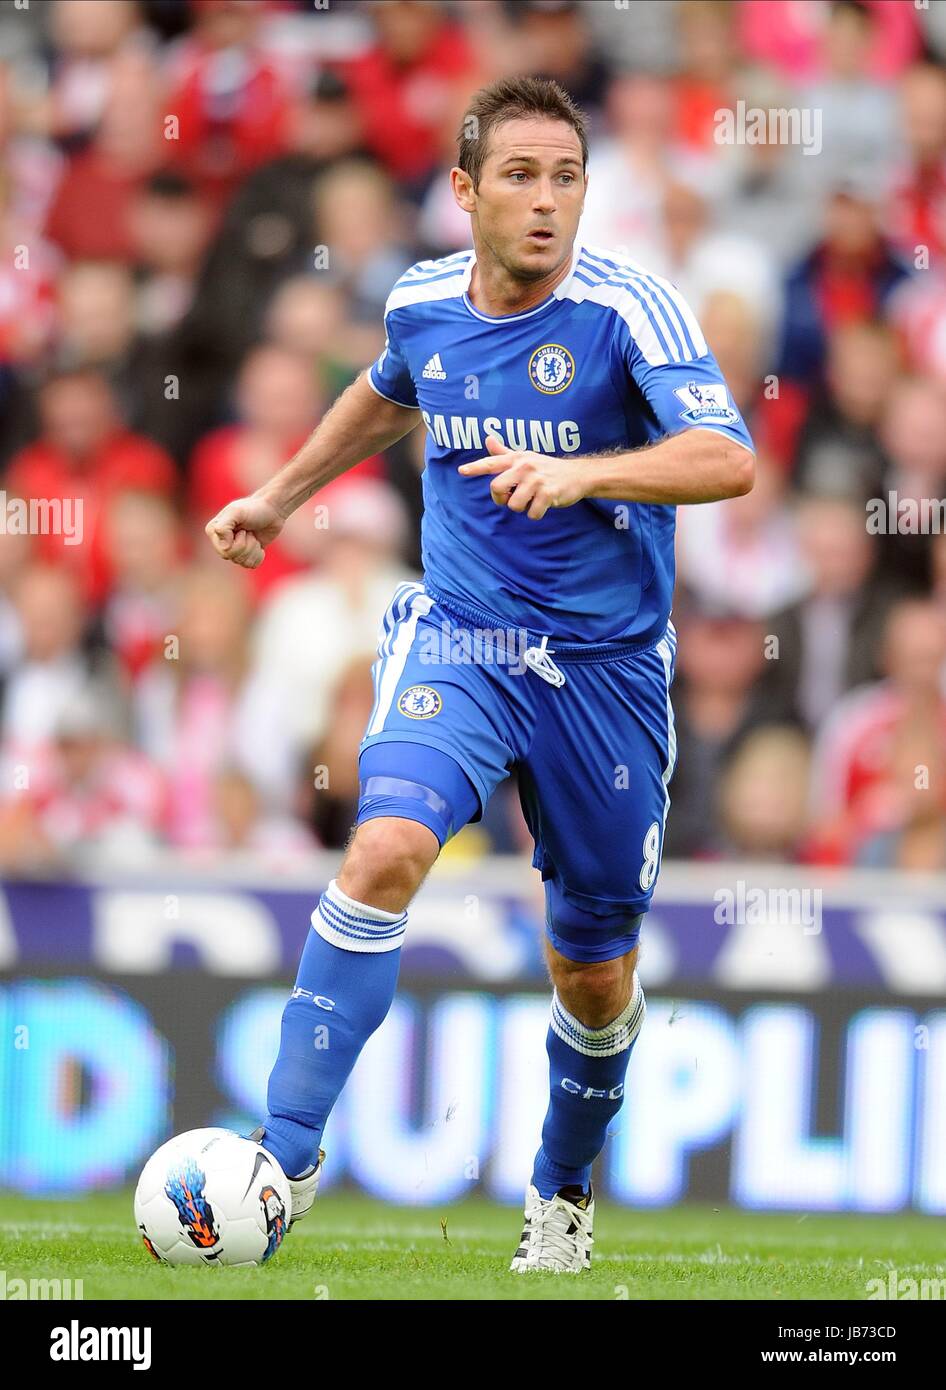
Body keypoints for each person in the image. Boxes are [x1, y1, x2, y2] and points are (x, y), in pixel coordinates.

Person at [206, 77, 754, 1273]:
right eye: (519, 175)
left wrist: (587, 472)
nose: (547, 200)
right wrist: (279, 497)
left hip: (604, 673)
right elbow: (387, 392)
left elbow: (727, 457)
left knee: (593, 969)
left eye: (566, 176)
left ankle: (560, 1187)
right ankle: (283, 1158)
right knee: (386, 847)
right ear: (463, 192)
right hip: (461, 638)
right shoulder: (417, 302)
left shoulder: (629, 311)